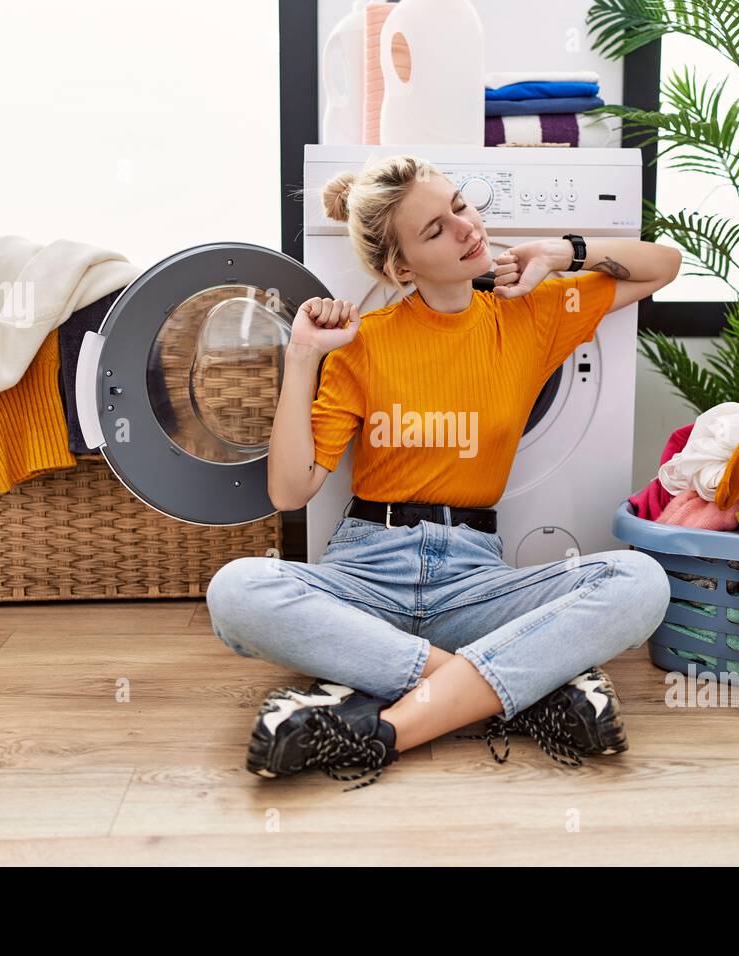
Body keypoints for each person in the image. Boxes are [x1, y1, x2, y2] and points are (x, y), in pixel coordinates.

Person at [206, 154, 682, 790]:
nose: (465, 228)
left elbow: (665, 265)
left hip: (474, 582)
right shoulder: (363, 341)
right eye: (435, 230)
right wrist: (302, 356)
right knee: (237, 591)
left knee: (640, 580)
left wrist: (560, 250)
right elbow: (290, 489)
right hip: (365, 576)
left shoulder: (533, 313)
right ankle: (514, 690)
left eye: (459, 205)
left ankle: (383, 727)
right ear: (401, 268)